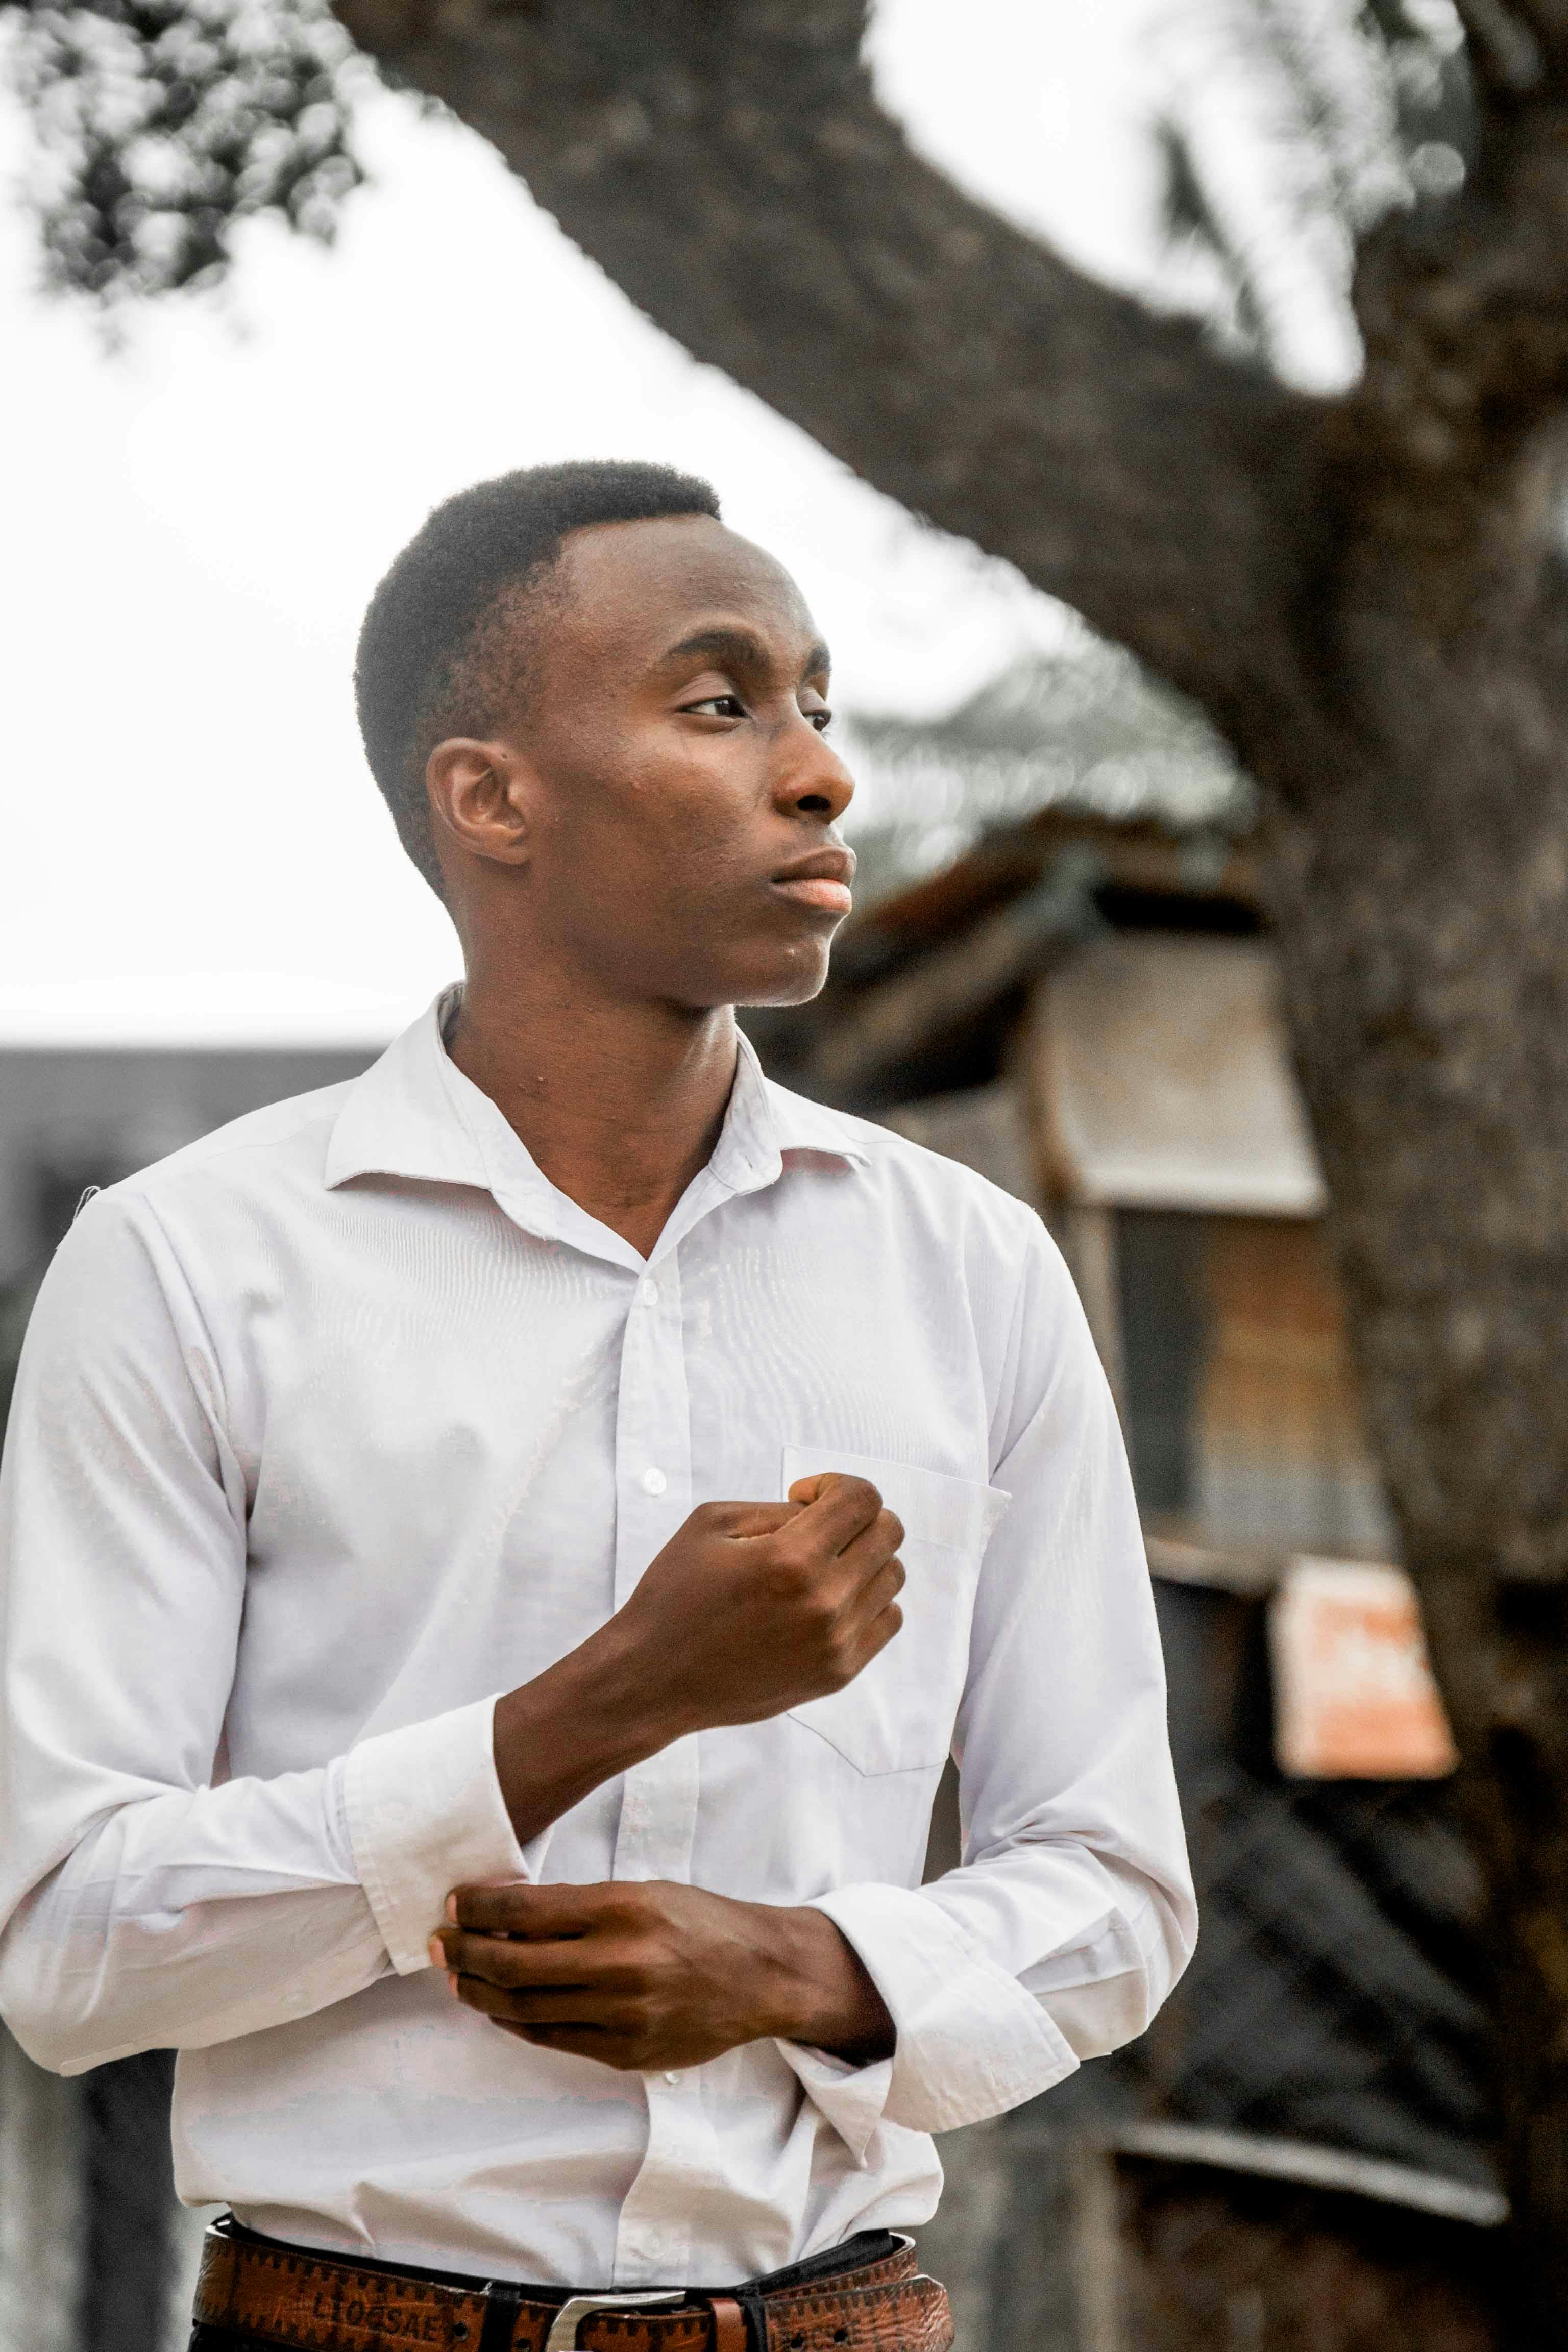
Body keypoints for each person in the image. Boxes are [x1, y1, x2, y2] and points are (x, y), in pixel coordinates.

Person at [0, 461, 1194, 2352]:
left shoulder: (970, 1269)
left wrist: (802, 1966)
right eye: (722, 704)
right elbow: (70, 1945)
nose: (821, 775)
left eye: (817, 703)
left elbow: (1118, 1892)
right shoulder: (189, 1266)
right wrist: (602, 1706)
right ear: (492, 799)